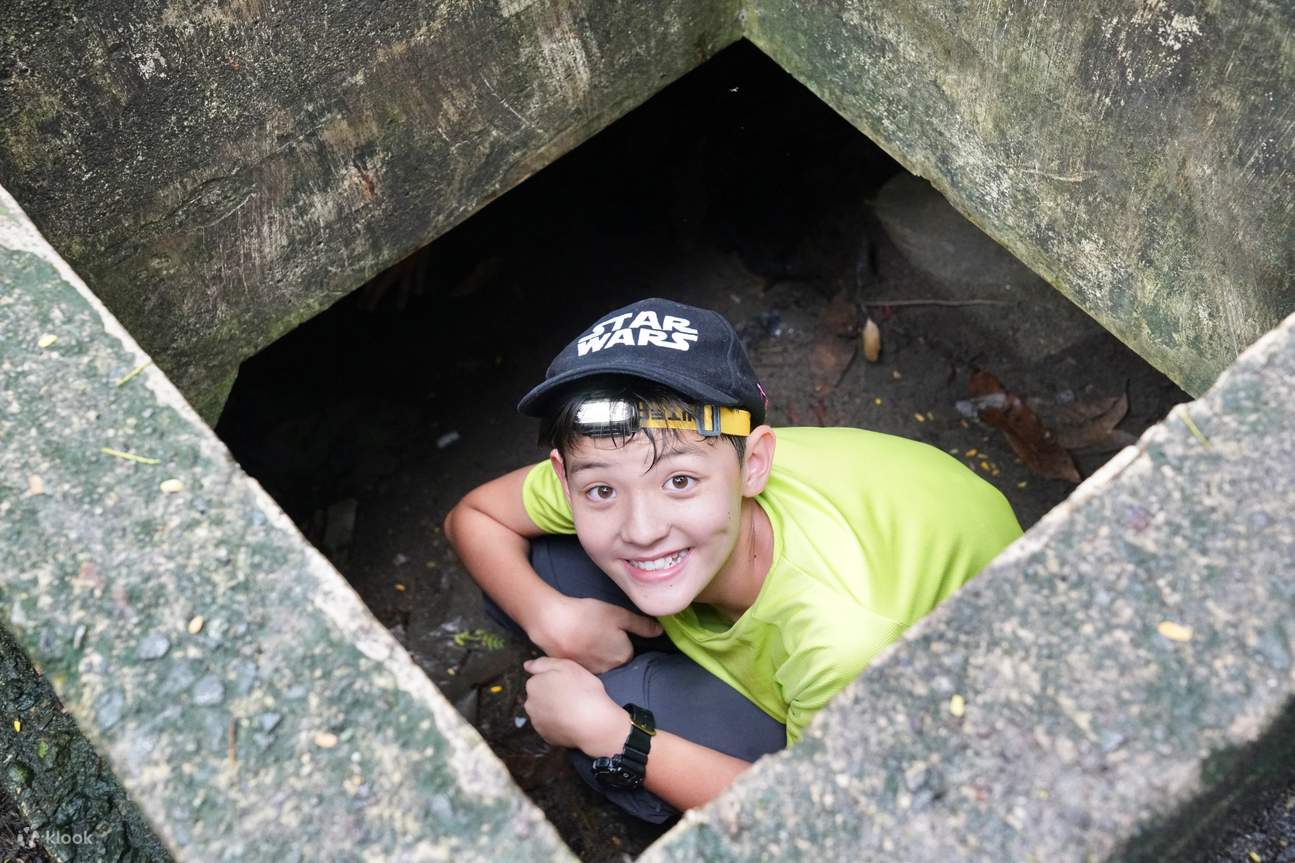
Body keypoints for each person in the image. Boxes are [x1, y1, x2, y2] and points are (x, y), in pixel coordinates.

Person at [442, 297, 1022, 822]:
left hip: (917, 687)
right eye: (600, 492)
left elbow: (826, 813)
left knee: (615, 728)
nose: (642, 529)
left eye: (680, 480)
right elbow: (474, 516)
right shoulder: (642, 456)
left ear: (753, 466)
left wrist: (615, 735)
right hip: (767, 569)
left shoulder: (842, 637)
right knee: (546, 564)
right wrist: (551, 616)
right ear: (565, 479)